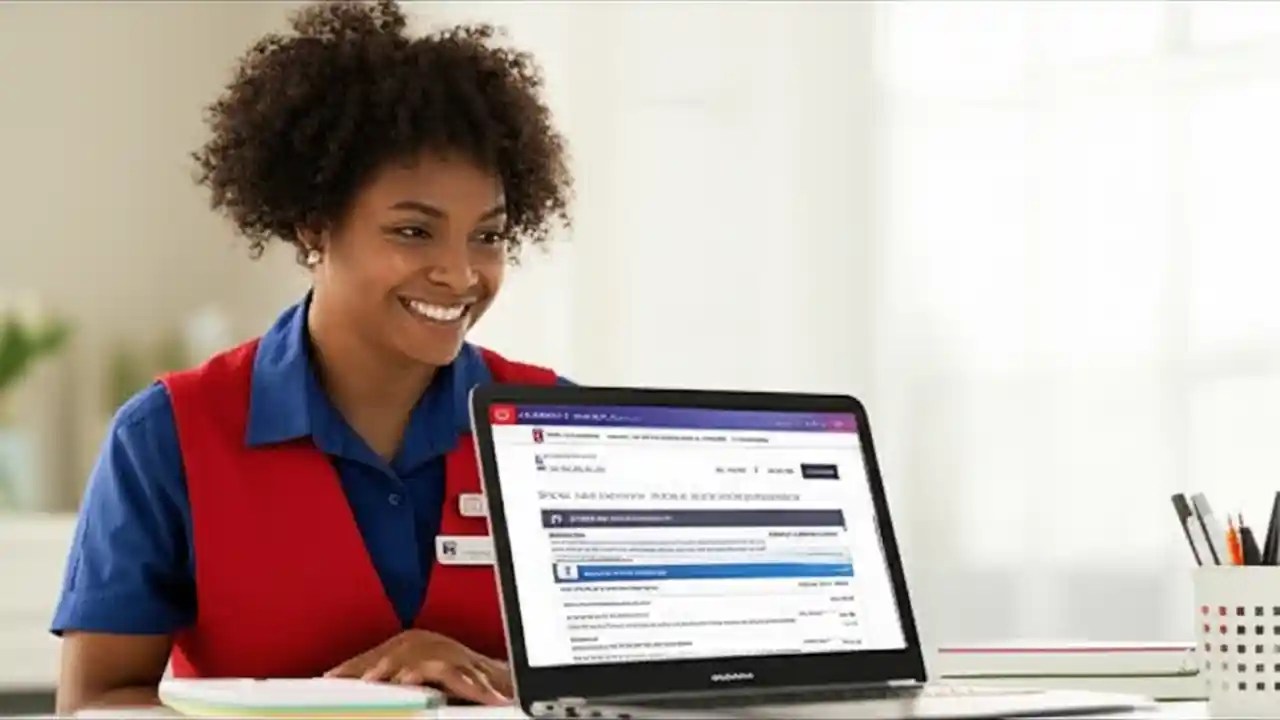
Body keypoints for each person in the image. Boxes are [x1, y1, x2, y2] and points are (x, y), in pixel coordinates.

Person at [50, 0, 574, 713]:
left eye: (487, 235)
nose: (459, 273)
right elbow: (96, 702)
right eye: (414, 231)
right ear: (315, 225)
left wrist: (481, 674)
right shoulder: (167, 437)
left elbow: (638, 688)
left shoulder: (556, 424)